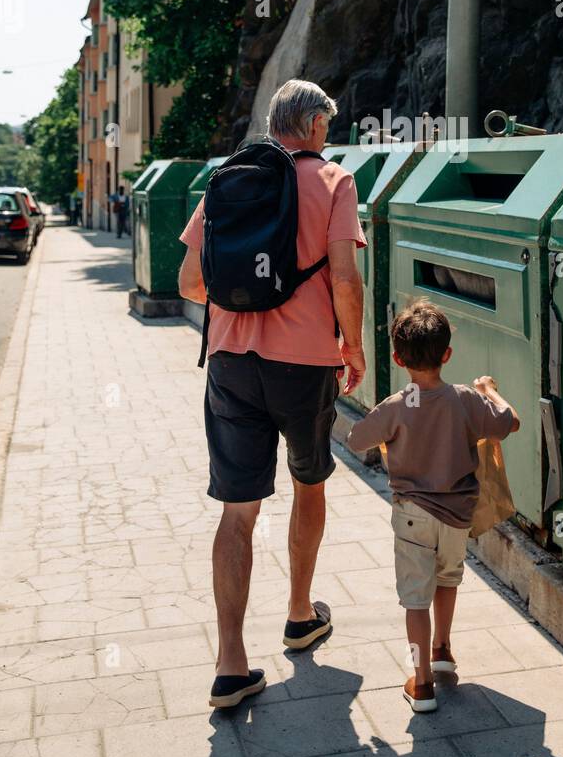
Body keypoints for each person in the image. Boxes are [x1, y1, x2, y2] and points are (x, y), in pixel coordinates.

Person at [178, 79, 366, 710]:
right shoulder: (335, 182)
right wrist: (354, 348)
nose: (328, 135)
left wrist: (243, 303)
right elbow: (345, 277)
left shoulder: (229, 177)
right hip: (304, 364)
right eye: (327, 125)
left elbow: (188, 282)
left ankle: (231, 665)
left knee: (237, 512)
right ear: (313, 124)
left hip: (230, 362)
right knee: (308, 482)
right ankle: (298, 613)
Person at [347, 299, 519, 713]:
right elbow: (509, 422)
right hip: (457, 517)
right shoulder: (465, 399)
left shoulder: (395, 405)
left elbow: (355, 440)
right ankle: (443, 647)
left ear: (397, 357)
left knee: (414, 599)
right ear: (447, 355)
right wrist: (489, 390)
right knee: (447, 580)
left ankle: (422, 682)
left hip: (411, 516)